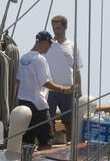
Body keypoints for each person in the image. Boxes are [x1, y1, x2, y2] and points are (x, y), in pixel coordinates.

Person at [17, 31, 71, 149]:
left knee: (27, 141)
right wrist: (63, 89)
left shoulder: (23, 59)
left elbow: (18, 81)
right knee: (45, 142)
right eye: (49, 43)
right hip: (38, 105)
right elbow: (45, 82)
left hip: (22, 103)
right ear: (42, 42)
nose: (50, 46)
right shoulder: (40, 59)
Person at [45, 15, 77, 143]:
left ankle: (70, 145)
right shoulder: (48, 45)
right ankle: (49, 145)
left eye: (58, 28)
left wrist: (78, 88)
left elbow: (77, 69)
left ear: (65, 27)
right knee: (49, 119)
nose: (56, 31)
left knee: (69, 121)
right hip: (51, 88)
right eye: (54, 28)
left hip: (68, 88)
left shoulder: (72, 46)